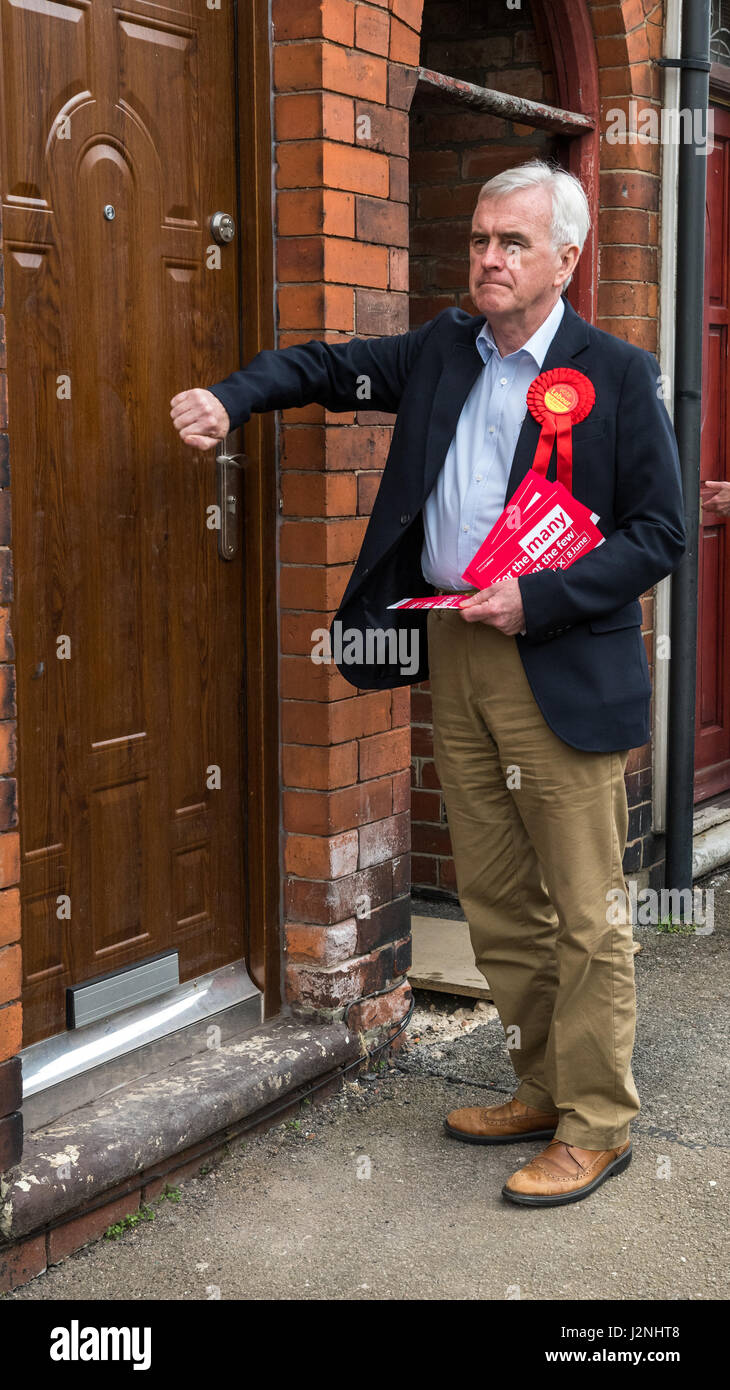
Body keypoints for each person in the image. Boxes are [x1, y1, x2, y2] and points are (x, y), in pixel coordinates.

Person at [170, 160, 686, 1208]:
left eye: (513, 243)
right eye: (480, 240)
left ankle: (598, 1122)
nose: (488, 259)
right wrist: (231, 398)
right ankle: (540, 1085)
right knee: (496, 899)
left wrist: (536, 601)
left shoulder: (617, 375)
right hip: (453, 650)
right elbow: (324, 366)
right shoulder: (443, 351)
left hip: (561, 663)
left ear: (567, 260)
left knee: (585, 912)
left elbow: (658, 534)